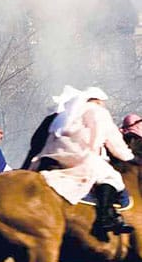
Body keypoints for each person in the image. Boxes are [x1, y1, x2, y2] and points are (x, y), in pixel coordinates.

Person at [30, 87, 135, 239]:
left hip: (56, 156)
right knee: (112, 177)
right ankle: (105, 217)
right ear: (98, 101)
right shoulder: (97, 111)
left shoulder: (69, 113)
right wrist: (129, 157)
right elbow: (113, 141)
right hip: (80, 155)